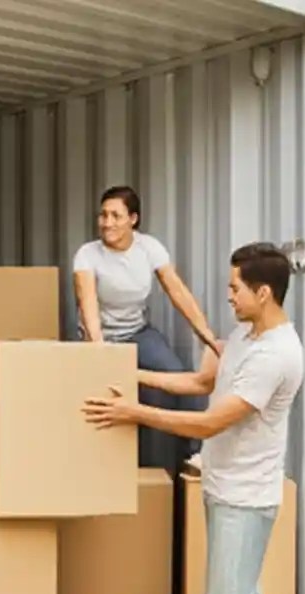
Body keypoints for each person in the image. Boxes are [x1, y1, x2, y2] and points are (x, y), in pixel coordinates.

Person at [82, 242, 304, 594]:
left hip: (245, 500)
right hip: (225, 490)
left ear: (263, 292)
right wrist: (132, 373)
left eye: (234, 288)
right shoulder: (246, 335)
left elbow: (208, 423)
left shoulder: (277, 355)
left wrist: (133, 413)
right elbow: (203, 384)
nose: (227, 296)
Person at [73, 185, 219, 469]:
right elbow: (87, 303)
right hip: (98, 338)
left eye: (116, 216)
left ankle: (196, 454)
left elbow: (179, 293)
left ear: (133, 219)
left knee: (182, 379)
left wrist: (208, 337)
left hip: (138, 333)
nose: (107, 223)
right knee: (111, 394)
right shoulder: (87, 254)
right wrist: (100, 351)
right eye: (103, 215)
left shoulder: (149, 248)